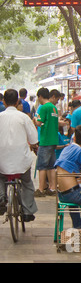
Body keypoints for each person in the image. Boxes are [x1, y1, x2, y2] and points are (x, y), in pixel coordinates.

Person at [0, 89, 39, 221]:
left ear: (3, 102)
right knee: (27, 183)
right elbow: (34, 139)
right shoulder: (23, 117)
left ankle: (1, 197)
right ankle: (27, 211)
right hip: (21, 162)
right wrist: (33, 146)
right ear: (17, 101)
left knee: (0, 177)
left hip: (2, 162)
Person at [54, 125, 81, 229]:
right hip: (74, 194)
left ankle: (77, 227)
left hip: (61, 194)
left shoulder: (67, 149)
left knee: (74, 202)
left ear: (73, 138)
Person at [34, 87, 59, 197]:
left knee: (42, 165)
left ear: (40, 96)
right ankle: (52, 188)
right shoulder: (53, 108)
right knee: (51, 166)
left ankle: (41, 189)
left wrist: (34, 120)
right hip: (53, 140)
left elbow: (39, 123)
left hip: (45, 140)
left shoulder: (44, 108)